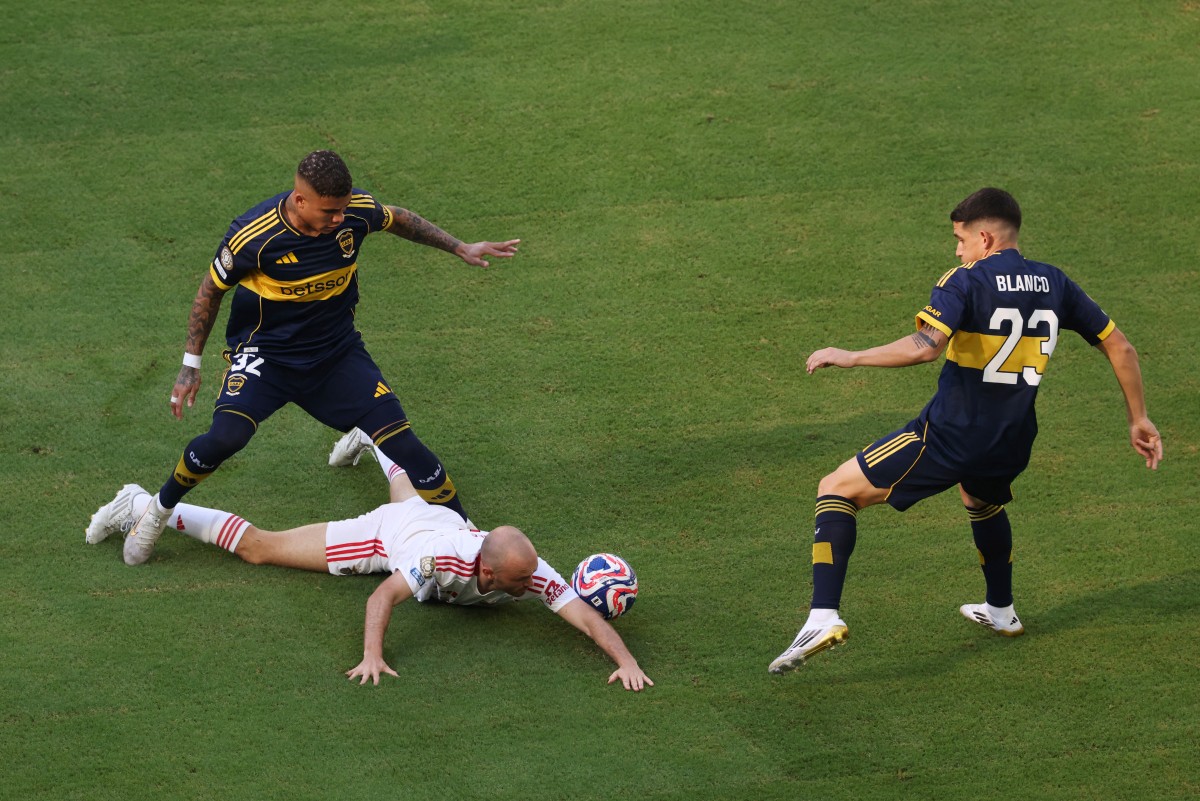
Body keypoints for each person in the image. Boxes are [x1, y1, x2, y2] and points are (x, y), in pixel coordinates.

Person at [769, 187, 1163, 674]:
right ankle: (1001, 610)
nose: (956, 250)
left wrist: (850, 356)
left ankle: (822, 616)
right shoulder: (1056, 282)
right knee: (979, 498)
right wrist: (1138, 418)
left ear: (984, 238)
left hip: (951, 434)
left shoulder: (966, 280)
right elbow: (1121, 347)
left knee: (835, 489)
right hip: (1014, 437)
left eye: (959, 239)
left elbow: (926, 345)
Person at [118, 150, 519, 567]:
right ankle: (156, 513)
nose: (339, 220)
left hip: (336, 355)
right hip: (268, 359)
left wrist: (459, 247)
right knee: (224, 439)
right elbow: (210, 291)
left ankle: (470, 540)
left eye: (343, 209)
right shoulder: (253, 238)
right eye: (330, 212)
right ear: (300, 200)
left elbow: (397, 217)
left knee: (408, 447)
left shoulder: (353, 213)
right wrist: (190, 365)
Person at [85, 432, 654, 691]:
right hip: (390, 539)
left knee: (409, 489)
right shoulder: (435, 563)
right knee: (263, 547)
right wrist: (372, 657)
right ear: (484, 573)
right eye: (515, 584)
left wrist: (625, 661)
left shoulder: (522, 565)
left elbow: (582, 613)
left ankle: (367, 429)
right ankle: (139, 502)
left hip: (437, 516)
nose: (529, 590)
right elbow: (383, 597)